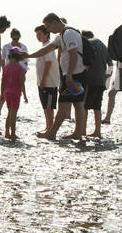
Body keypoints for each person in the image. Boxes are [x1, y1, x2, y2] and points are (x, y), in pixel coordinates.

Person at [21, 14, 87, 143]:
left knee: (65, 103)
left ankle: (53, 133)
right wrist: (29, 55)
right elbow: (46, 50)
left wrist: (69, 75)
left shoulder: (69, 34)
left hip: (74, 75)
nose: (48, 30)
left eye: (48, 26)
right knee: (77, 103)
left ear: (55, 22)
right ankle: (77, 133)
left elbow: (74, 56)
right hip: (74, 74)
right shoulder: (61, 36)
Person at [81, 30, 111, 139]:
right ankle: (97, 131)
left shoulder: (89, 43)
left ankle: (82, 130)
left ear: (84, 37)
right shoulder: (103, 45)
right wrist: (107, 78)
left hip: (90, 79)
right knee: (97, 107)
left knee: (84, 106)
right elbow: (110, 64)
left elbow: (84, 62)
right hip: (101, 80)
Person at [34, 25, 60, 136]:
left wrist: (44, 80)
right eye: (37, 35)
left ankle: (50, 128)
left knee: (49, 107)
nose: (38, 37)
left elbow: (48, 63)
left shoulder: (49, 46)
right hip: (42, 82)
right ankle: (47, 126)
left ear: (46, 34)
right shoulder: (44, 46)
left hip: (49, 83)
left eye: (40, 34)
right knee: (45, 106)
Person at [0, 29, 28, 113]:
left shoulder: (24, 47)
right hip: (8, 71)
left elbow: (26, 61)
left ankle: (13, 109)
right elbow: (2, 59)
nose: (16, 41)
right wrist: (3, 70)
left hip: (20, 71)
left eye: (17, 39)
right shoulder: (6, 47)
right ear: (11, 37)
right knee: (4, 89)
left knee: (17, 90)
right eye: (14, 39)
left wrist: (24, 72)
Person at [2, 49, 25, 142]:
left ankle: (7, 132)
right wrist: (25, 95)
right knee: (13, 114)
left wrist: (1, 92)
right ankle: (13, 134)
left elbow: (3, 81)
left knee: (9, 113)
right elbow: (21, 82)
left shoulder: (6, 67)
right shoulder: (20, 68)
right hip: (16, 92)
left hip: (7, 92)